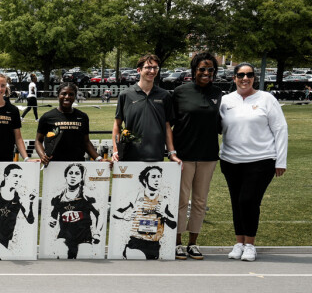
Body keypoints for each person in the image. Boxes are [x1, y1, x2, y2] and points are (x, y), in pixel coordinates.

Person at [220, 63, 288, 262]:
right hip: (230, 160)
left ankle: (250, 244)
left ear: (254, 78)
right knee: (236, 203)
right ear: (234, 78)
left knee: (248, 201)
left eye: (249, 75)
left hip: (261, 160)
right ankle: (239, 243)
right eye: (241, 75)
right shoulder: (225, 101)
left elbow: (280, 129)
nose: (245, 78)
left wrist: (280, 161)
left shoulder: (267, 99)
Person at [170, 52, 223, 260]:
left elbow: (222, 124)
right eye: (202, 69)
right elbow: (169, 124)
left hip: (208, 156)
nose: (206, 73)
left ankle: (193, 243)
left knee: (200, 201)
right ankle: (177, 243)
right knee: (182, 200)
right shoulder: (180, 92)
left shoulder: (218, 93)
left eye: (210, 69)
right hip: (183, 156)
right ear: (194, 71)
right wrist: (172, 151)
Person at [113, 53, 181, 163]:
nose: (152, 71)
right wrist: (116, 151)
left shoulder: (165, 95)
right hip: (129, 156)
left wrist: (171, 152)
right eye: (148, 67)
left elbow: (167, 126)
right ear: (139, 70)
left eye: (155, 68)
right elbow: (117, 124)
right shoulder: (125, 95)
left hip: (156, 155)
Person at [112, 165, 177, 260]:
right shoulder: (135, 196)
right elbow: (115, 212)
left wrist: (164, 215)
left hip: (154, 244)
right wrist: (125, 215)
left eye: (159, 177)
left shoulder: (164, 200)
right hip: (136, 242)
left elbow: (173, 225)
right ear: (145, 180)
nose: (157, 180)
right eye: (153, 177)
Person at [45, 163, 101, 259]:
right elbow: (52, 216)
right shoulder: (58, 197)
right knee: (60, 256)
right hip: (64, 236)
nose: (73, 176)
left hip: (84, 237)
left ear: (81, 178)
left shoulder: (87, 195)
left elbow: (100, 214)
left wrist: (97, 232)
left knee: (84, 261)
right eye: (70, 173)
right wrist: (51, 221)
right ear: (66, 176)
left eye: (77, 173)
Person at [34, 83, 100, 163]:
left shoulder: (82, 117)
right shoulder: (47, 117)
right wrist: (42, 155)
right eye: (64, 94)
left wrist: (98, 159)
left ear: (75, 96)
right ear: (58, 95)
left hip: (77, 164)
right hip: (53, 165)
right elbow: (38, 140)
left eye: (71, 94)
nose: (67, 97)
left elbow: (86, 142)